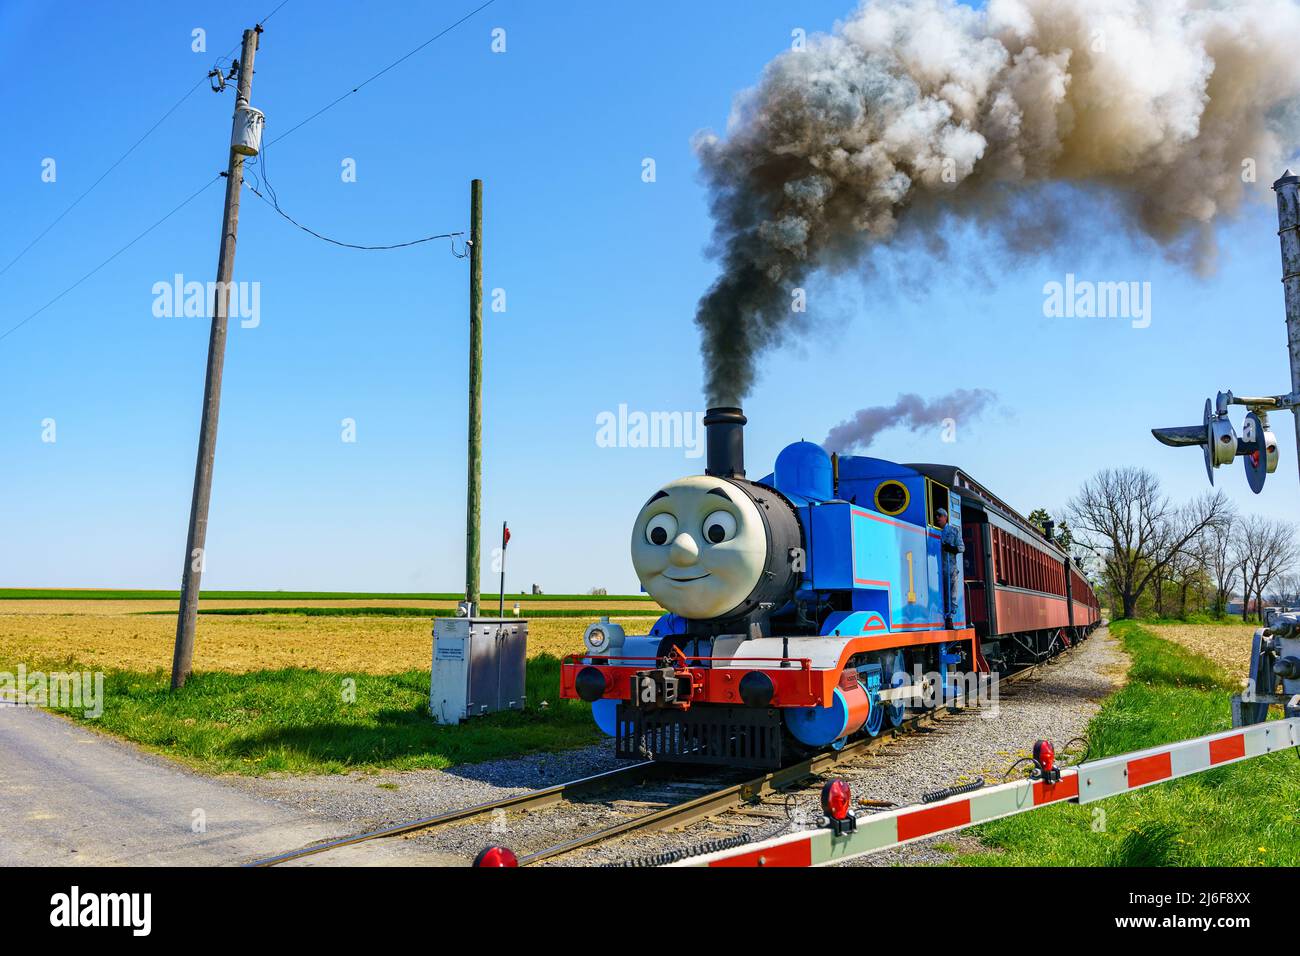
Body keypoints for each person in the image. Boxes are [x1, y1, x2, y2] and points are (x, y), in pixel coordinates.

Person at [936, 507, 963, 629]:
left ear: (945, 517)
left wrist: (952, 548)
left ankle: (950, 617)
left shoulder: (954, 531)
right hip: (939, 568)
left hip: (950, 568)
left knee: (951, 594)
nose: (937, 518)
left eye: (940, 515)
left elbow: (962, 547)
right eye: (936, 516)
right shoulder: (936, 531)